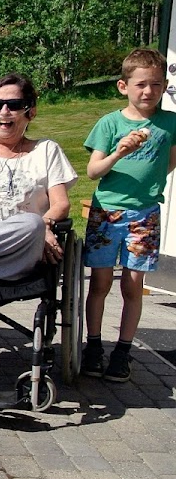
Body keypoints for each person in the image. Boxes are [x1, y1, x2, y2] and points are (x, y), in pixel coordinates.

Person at [80, 48, 176, 383]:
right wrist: (122, 151)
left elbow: (169, 160)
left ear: (164, 87)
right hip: (107, 212)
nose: (148, 91)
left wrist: (151, 185)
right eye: (141, 84)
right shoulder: (110, 123)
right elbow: (93, 171)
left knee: (133, 286)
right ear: (124, 86)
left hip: (144, 215)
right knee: (101, 283)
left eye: (156, 84)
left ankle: (122, 351)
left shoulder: (169, 124)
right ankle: (93, 346)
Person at [0, 73, 77, 279]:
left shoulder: (46, 150)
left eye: (13, 105)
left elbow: (61, 204)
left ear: (30, 112)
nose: (3, 112)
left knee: (32, 224)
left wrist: (46, 226)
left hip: (17, 250)